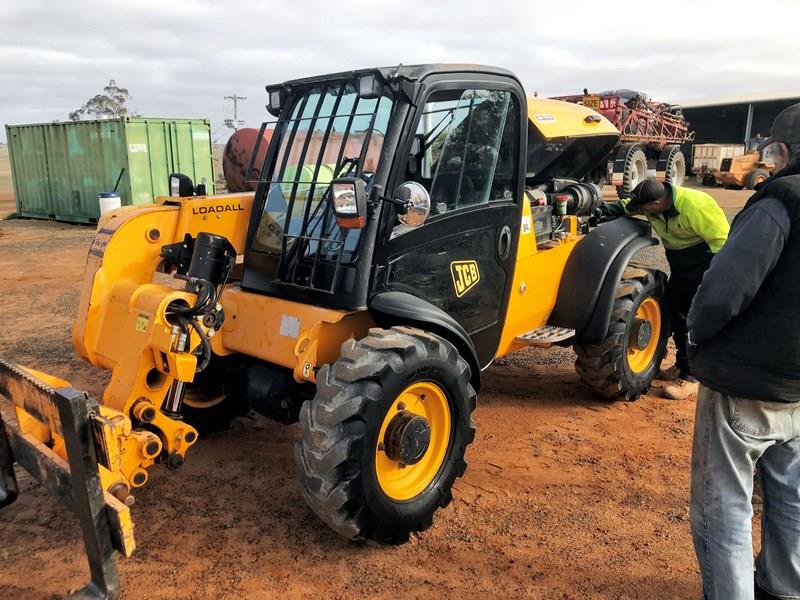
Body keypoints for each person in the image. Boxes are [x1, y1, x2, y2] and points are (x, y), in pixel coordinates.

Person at [686, 103, 800, 600]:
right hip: (798, 388)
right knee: (792, 495)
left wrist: (695, 335)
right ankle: (783, 587)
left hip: (748, 383)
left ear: (778, 151)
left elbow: (724, 292)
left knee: (725, 504)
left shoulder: (780, 202)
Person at [602, 178, 730, 399]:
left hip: (704, 265)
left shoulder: (696, 206)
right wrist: (598, 208)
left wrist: (714, 281)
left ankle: (692, 378)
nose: (642, 213)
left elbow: (722, 243)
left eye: (644, 209)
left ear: (656, 204)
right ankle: (681, 365)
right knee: (675, 315)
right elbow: (625, 207)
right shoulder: (651, 203)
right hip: (680, 266)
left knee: (694, 319)